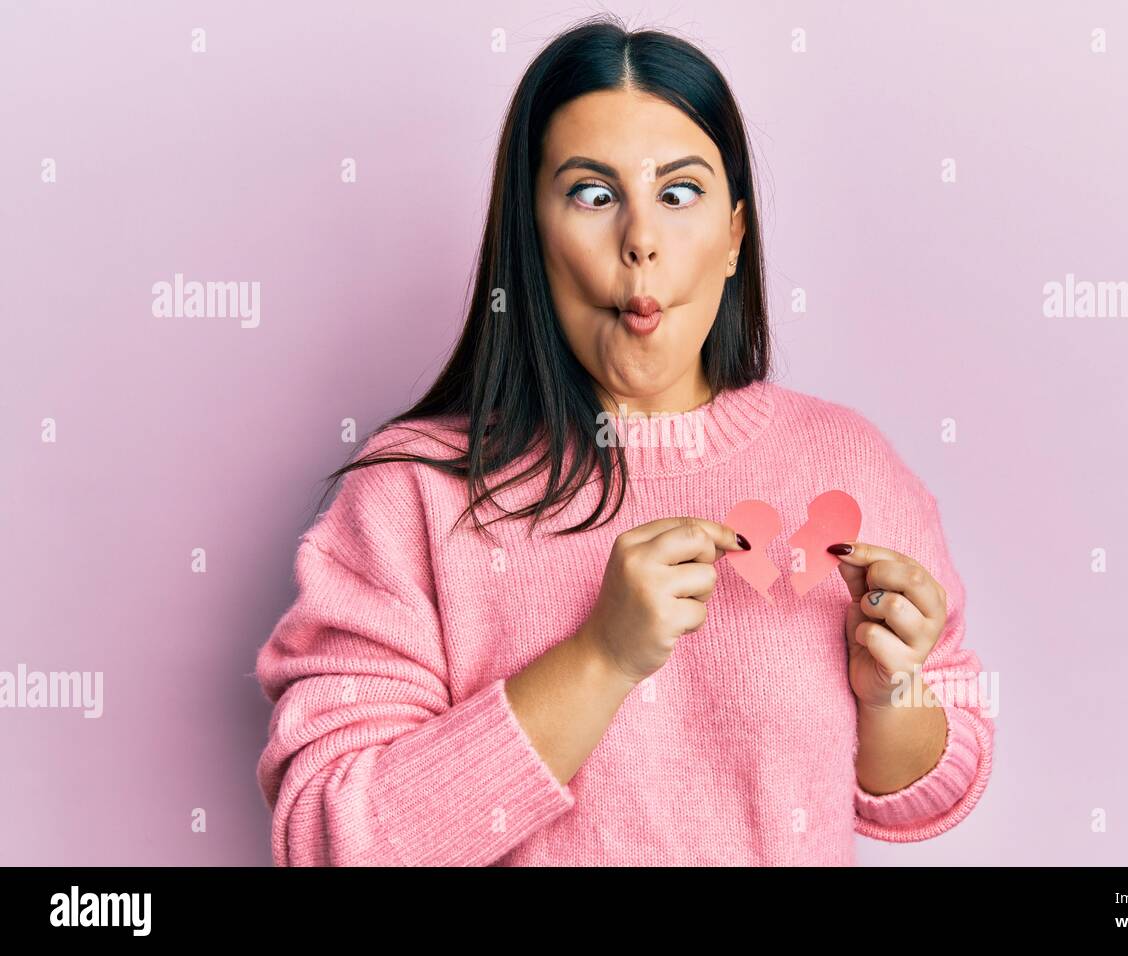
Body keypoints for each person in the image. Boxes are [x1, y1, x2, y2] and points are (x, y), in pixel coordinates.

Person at [254, 14, 994, 866]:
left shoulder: (848, 463)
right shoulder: (408, 496)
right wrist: (600, 658)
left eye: (679, 195)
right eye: (593, 196)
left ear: (733, 239)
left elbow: (919, 793)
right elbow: (328, 841)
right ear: (529, 239)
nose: (640, 240)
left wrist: (889, 694)